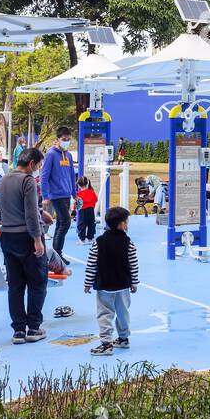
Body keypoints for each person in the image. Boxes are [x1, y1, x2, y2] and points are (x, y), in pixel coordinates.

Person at [0, 149, 50, 344]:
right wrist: (37, 238)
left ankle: (18, 329)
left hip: (8, 235)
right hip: (26, 236)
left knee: (16, 285)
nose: (38, 169)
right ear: (31, 164)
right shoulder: (28, 181)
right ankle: (34, 327)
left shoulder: (3, 180)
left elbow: (16, 207)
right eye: (38, 165)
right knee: (37, 283)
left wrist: (40, 212)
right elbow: (29, 213)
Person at [84, 205, 139, 356]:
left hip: (104, 286)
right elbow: (134, 264)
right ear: (121, 224)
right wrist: (134, 282)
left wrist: (88, 283)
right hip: (123, 286)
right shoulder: (128, 243)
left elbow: (91, 265)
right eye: (126, 222)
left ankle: (106, 343)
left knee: (105, 314)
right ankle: (123, 338)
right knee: (123, 312)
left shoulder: (99, 242)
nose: (127, 225)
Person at [39, 127, 77, 260]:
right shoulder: (50, 154)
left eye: (68, 139)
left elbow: (72, 175)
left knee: (61, 222)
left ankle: (55, 255)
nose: (66, 142)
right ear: (57, 140)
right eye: (63, 140)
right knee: (66, 222)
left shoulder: (69, 155)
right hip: (56, 195)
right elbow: (44, 176)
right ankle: (57, 252)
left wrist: (74, 193)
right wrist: (45, 195)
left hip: (66, 194)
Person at [75, 175, 98, 243]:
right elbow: (95, 200)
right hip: (91, 210)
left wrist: (74, 208)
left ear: (78, 185)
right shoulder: (91, 192)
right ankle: (90, 237)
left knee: (82, 224)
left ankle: (82, 239)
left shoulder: (79, 194)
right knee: (91, 223)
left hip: (82, 211)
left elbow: (78, 205)